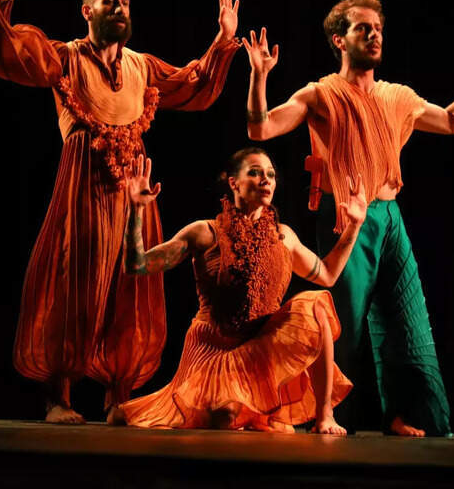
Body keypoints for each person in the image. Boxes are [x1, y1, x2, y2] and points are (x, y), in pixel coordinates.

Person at [0, 0, 242, 423]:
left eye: (126, 3)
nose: (120, 9)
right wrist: (2, 3)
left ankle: (118, 397)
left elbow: (189, 83)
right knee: (74, 285)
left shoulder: (140, 65)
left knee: (132, 287)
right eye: (109, 2)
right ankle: (58, 398)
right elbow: (13, 54)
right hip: (84, 185)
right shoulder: (67, 56)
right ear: (87, 11)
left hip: (132, 188)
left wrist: (222, 42)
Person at [240, 0, 454, 437]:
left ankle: (404, 413)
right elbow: (260, 127)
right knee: (344, 329)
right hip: (344, 220)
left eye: (378, 29)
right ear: (340, 39)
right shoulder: (321, 93)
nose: (374, 35)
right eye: (363, 28)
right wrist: (259, 77)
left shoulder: (397, 97)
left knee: (407, 319)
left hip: (390, 217)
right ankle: (315, 413)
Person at [108, 149, 365, 434]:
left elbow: (327, 275)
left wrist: (354, 226)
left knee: (315, 304)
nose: (266, 180)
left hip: (259, 346)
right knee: (223, 418)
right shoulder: (204, 232)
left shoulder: (284, 236)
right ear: (233, 183)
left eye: (270, 174)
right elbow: (137, 264)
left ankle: (325, 415)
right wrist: (136, 210)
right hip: (213, 347)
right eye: (255, 172)